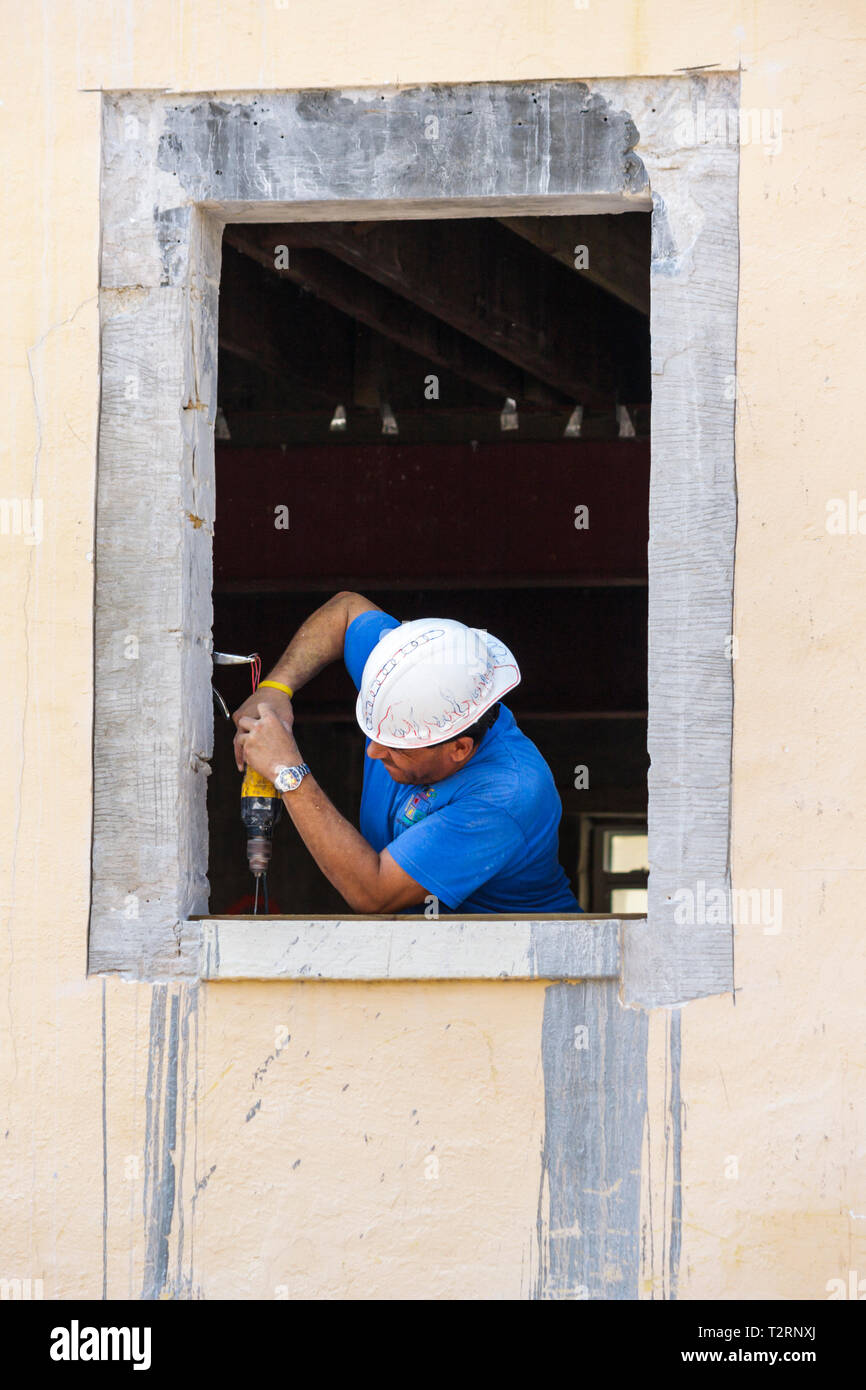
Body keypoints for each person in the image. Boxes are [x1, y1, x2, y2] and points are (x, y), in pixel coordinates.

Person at [232, 590, 581, 915]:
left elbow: (374, 892)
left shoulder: (509, 794)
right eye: (371, 732)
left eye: (397, 746)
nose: (372, 751)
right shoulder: (406, 678)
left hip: (523, 967)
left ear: (459, 748)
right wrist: (276, 688)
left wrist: (287, 771)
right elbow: (346, 610)